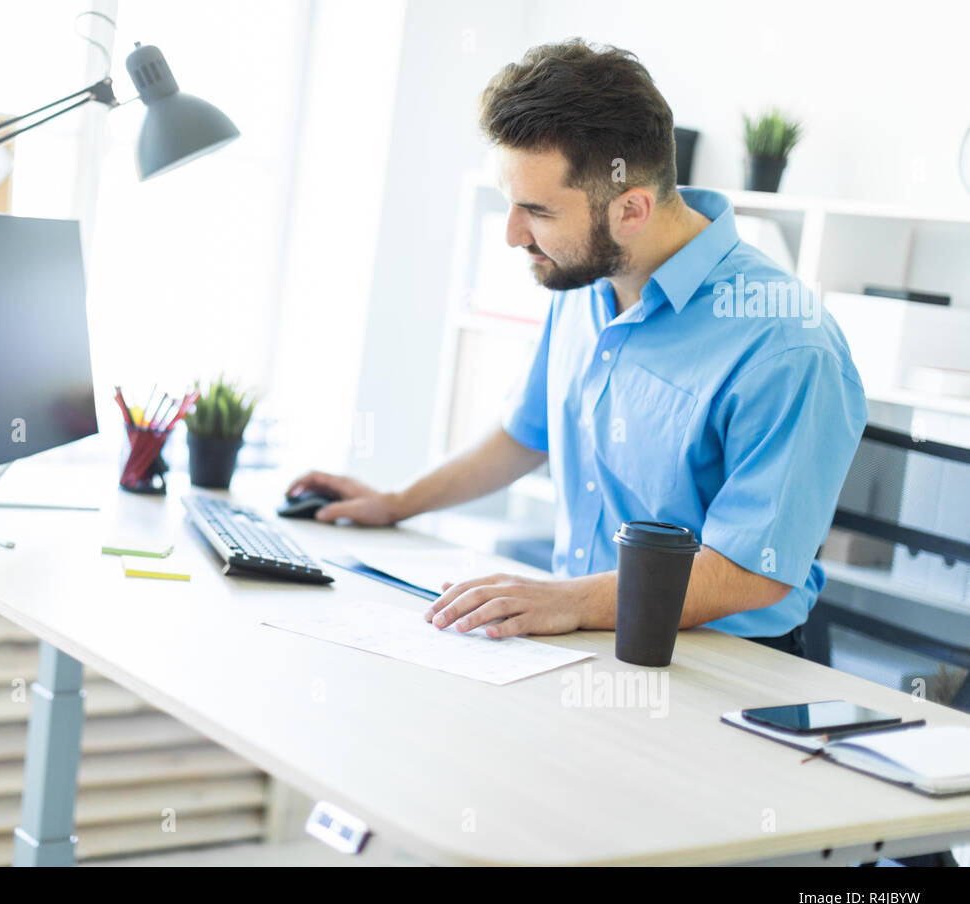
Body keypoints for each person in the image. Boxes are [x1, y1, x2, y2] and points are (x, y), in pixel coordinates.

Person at [287, 39, 867, 651]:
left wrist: (566, 601)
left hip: (716, 659)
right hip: (580, 630)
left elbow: (752, 571)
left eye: (535, 211)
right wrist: (396, 502)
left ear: (632, 209)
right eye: (509, 204)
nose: (513, 235)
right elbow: (524, 434)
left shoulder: (788, 344)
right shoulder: (582, 278)